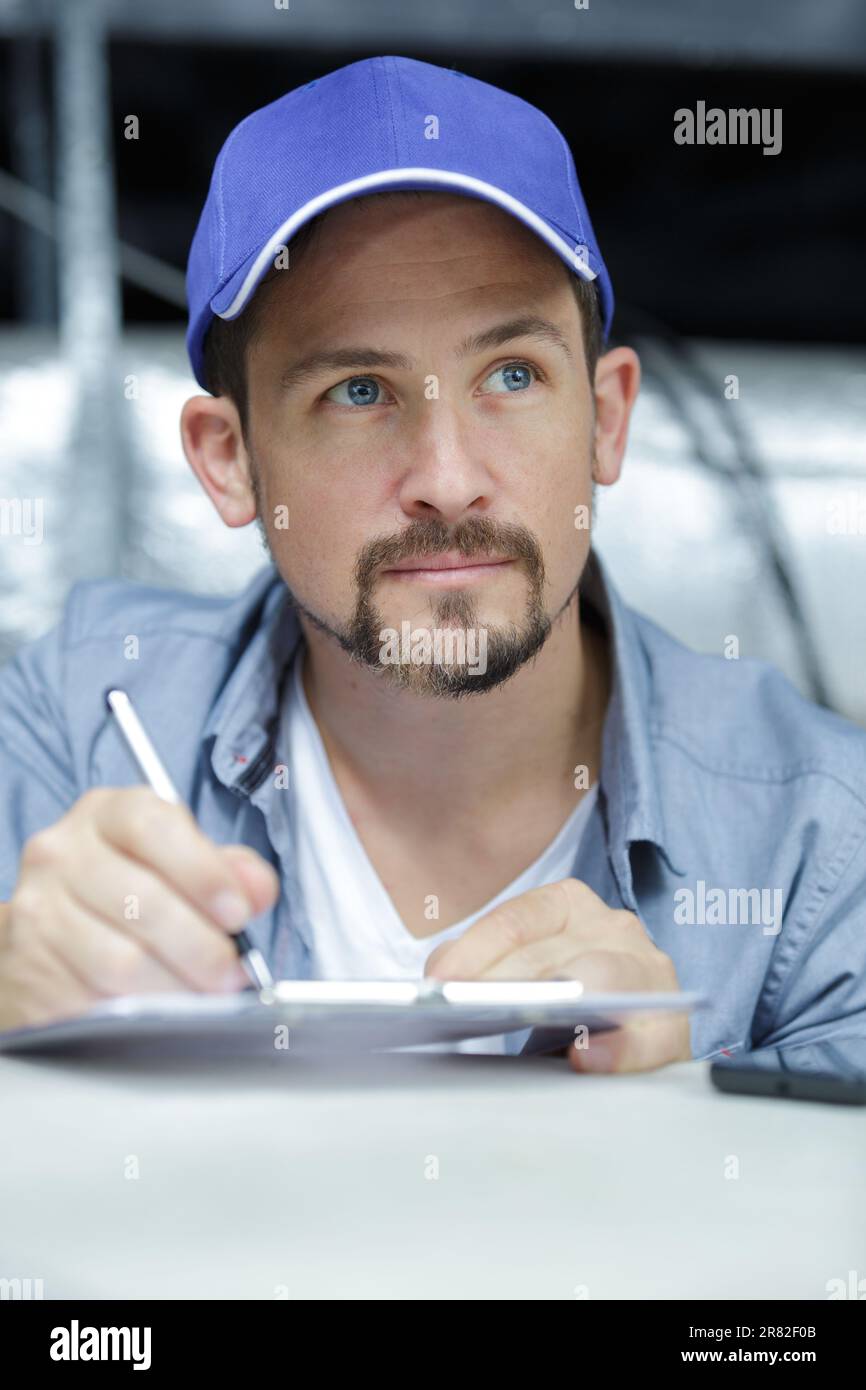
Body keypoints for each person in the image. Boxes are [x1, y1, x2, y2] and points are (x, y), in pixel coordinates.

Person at [1, 56, 864, 1071]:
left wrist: (681, 1120)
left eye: (509, 374)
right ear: (229, 462)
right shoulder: (74, 728)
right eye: (358, 391)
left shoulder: (819, 839)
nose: (448, 481)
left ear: (605, 418)